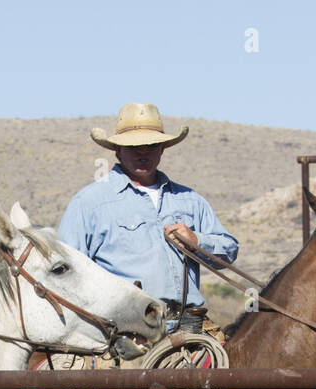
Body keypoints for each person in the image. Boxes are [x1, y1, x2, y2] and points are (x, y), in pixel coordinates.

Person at [58, 102, 238, 331]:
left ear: (162, 148)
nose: (143, 152)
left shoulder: (190, 200)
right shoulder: (89, 203)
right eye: (134, 146)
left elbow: (229, 250)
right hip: (124, 332)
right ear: (117, 150)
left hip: (190, 326)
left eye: (151, 145)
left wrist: (197, 243)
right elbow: (66, 274)